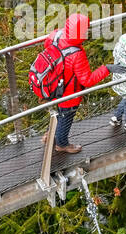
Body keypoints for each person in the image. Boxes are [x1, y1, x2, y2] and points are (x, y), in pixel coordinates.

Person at [37, 11, 114, 153]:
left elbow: (48, 50)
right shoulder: (77, 54)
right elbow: (87, 80)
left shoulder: (56, 35)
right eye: (86, 29)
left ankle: (49, 135)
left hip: (52, 84)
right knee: (66, 117)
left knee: (58, 113)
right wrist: (107, 69)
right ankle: (62, 144)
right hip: (68, 92)